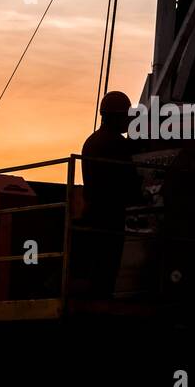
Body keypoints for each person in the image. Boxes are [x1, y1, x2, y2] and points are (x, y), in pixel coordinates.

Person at [74, 91, 141, 297]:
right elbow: (130, 182)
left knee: (96, 271)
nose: (128, 121)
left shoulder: (92, 141)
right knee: (106, 271)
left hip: (93, 214)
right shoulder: (116, 144)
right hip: (110, 217)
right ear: (116, 117)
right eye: (125, 116)